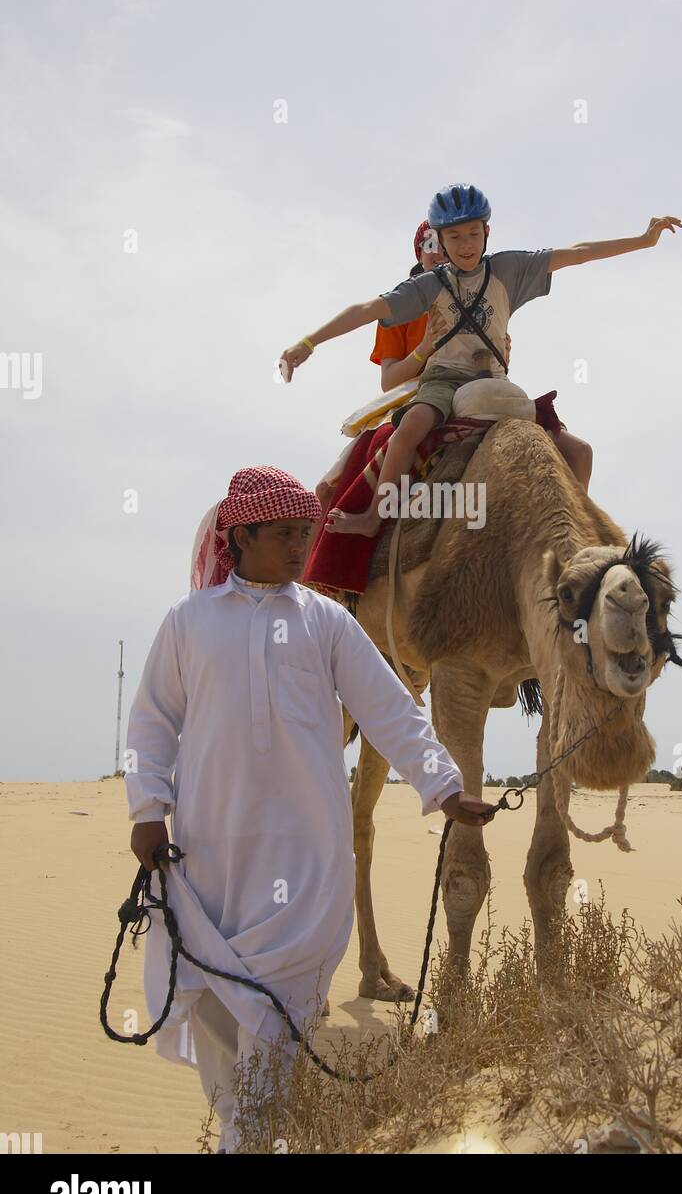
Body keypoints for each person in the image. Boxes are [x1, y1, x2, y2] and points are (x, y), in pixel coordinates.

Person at [124, 465, 496, 1152]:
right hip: (208, 852)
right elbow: (151, 723)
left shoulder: (325, 621)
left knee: (283, 999)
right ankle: (246, 1127)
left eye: (307, 532)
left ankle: (252, 1136)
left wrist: (442, 786)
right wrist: (147, 808)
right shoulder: (187, 623)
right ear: (240, 536)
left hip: (308, 854)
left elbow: (391, 710)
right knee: (212, 995)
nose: (303, 547)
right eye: (287, 534)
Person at [281, 184, 681, 534]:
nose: (466, 244)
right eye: (455, 237)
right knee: (413, 423)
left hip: (494, 381)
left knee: (580, 452)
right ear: (439, 239)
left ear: (487, 232)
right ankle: (373, 517)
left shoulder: (509, 269)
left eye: (474, 233)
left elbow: (577, 253)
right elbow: (368, 307)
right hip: (444, 379)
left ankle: (575, 530)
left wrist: (642, 241)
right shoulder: (428, 285)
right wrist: (309, 342)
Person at [371, 220, 594, 489]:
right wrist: (425, 348)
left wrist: (501, 356)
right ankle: (374, 515)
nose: (439, 252)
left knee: (576, 451)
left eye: (446, 244)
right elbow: (389, 382)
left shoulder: (483, 292)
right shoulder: (399, 305)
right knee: (363, 456)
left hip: (483, 385)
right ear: (418, 253)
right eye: (430, 244)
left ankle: (578, 524)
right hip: (424, 391)